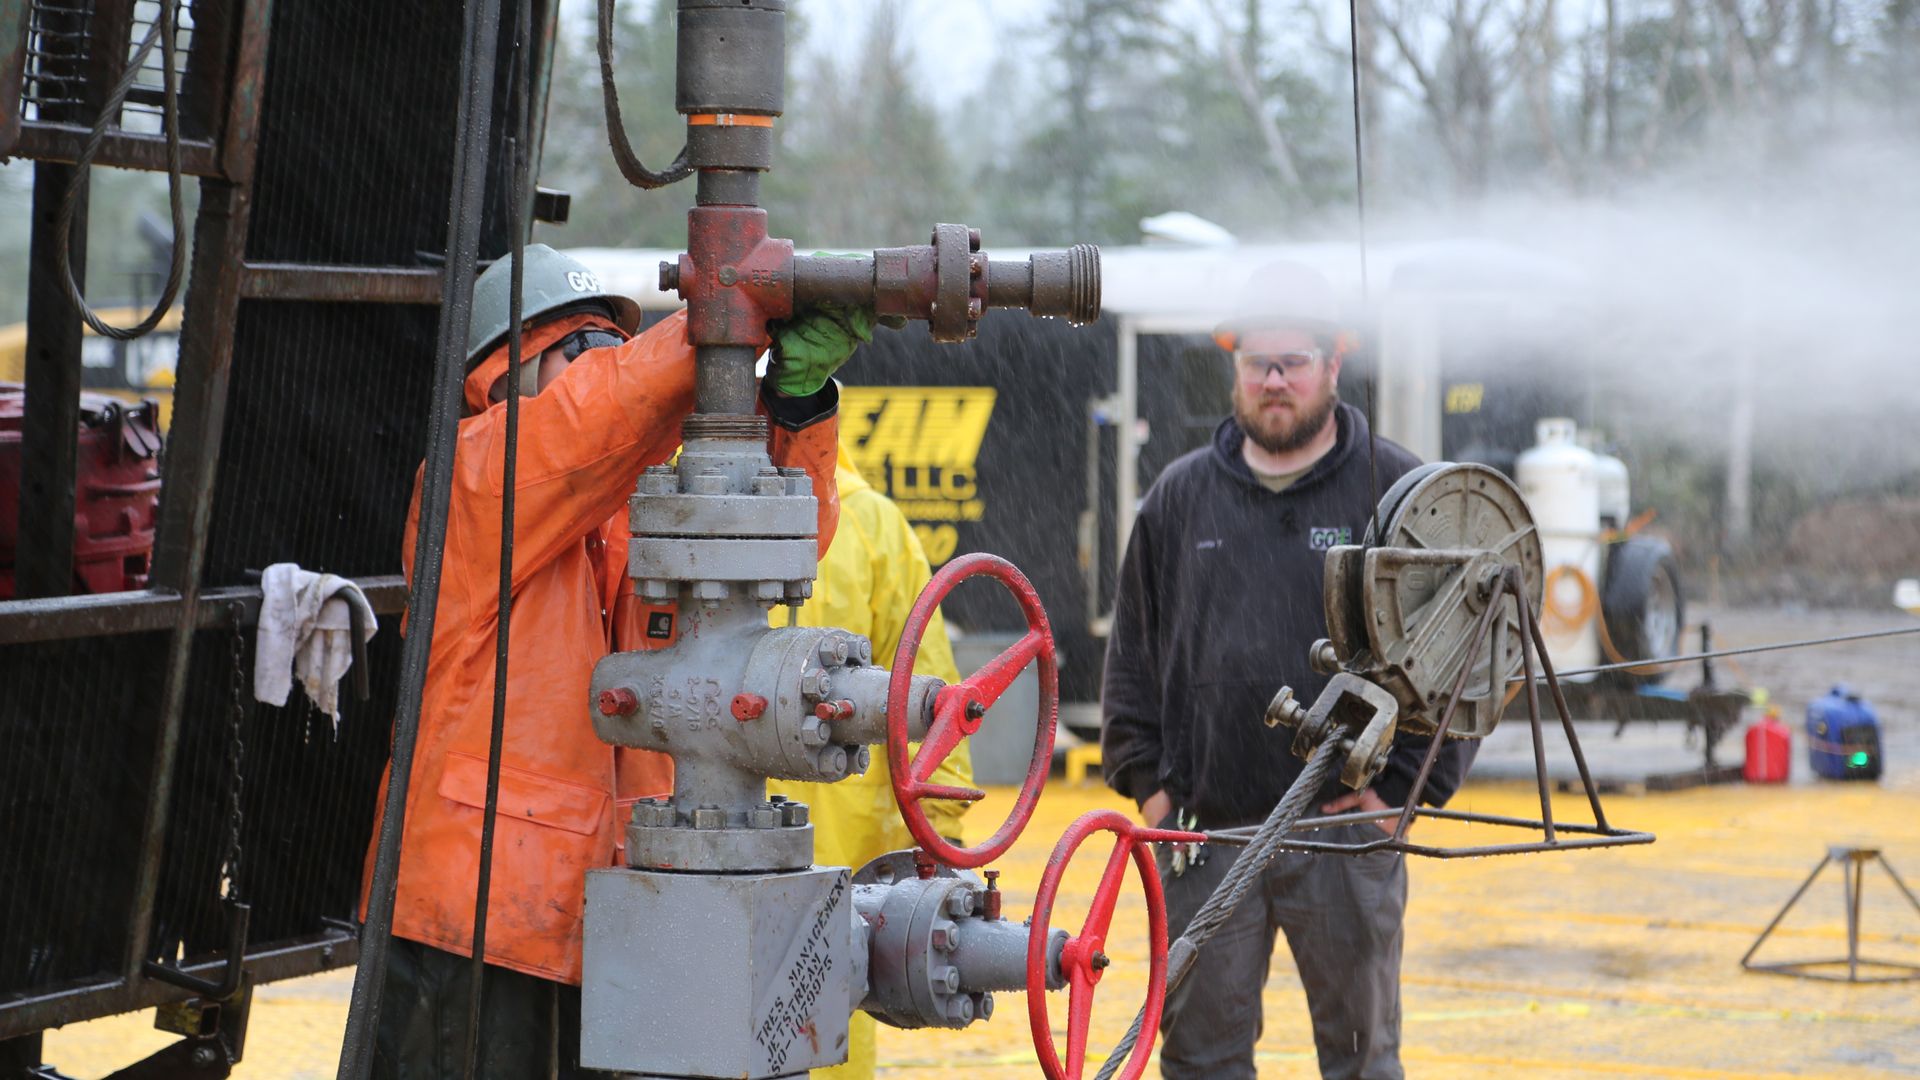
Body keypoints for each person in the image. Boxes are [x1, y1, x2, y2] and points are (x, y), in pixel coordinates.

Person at [363, 245, 870, 1079]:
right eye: (580, 347)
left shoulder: (629, 520)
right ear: (505, 372)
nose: (603, 364)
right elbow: (586, 425)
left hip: (628, 918)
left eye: (611, 342)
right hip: (476, 926)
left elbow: (772, 543)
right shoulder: (471, 479)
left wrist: (798, 403)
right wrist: (709, 330)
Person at [1099, 262, 1475, 1080]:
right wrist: (1154, 790)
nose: (1274, 381)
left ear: (1334, 365)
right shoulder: (1178, 499)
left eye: (1292, 362)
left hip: (1345, 835)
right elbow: (1130, 657)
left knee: (1362, 1061)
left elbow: (1466, 659)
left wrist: (1405, 792)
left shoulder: (1399, 491)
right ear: (1234, 369)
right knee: (1201, 1061)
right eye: (1255, 363)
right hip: (1210, 836)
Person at [768, 440, 972, 1080]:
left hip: (694, 863)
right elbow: (934, 698)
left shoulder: (664, 503)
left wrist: (942, 841)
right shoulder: (871, 524)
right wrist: (942, 841)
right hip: (838, 882)